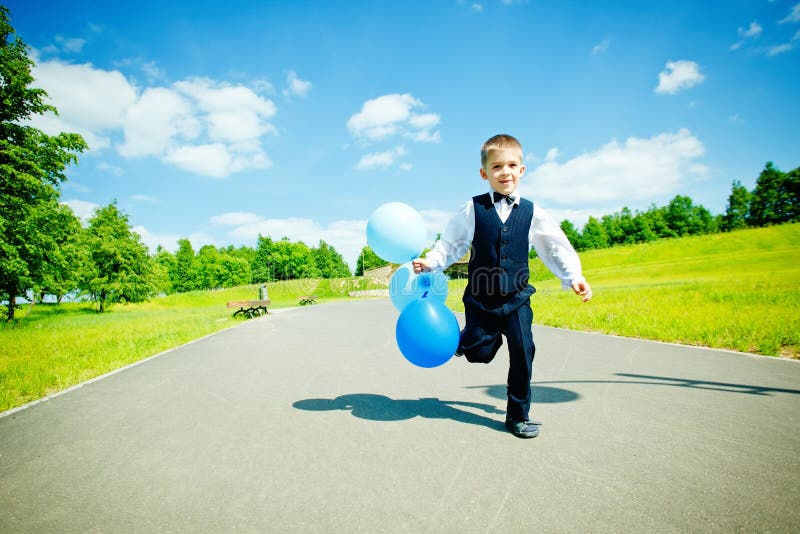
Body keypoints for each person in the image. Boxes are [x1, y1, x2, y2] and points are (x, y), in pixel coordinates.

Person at [412, 134, 592, 439]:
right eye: (497, 166)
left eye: (511, 165)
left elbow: (554, 246)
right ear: (485, 173)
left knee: (524, 351)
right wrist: (432, 262)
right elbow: (452, 243)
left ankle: (517, 415)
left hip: (517, 299)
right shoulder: (473, 209)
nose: (504, 171)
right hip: (482, 301)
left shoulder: (533, 212)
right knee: (480, 353)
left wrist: (573, 275)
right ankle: (464, 341)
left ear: (522, 170)